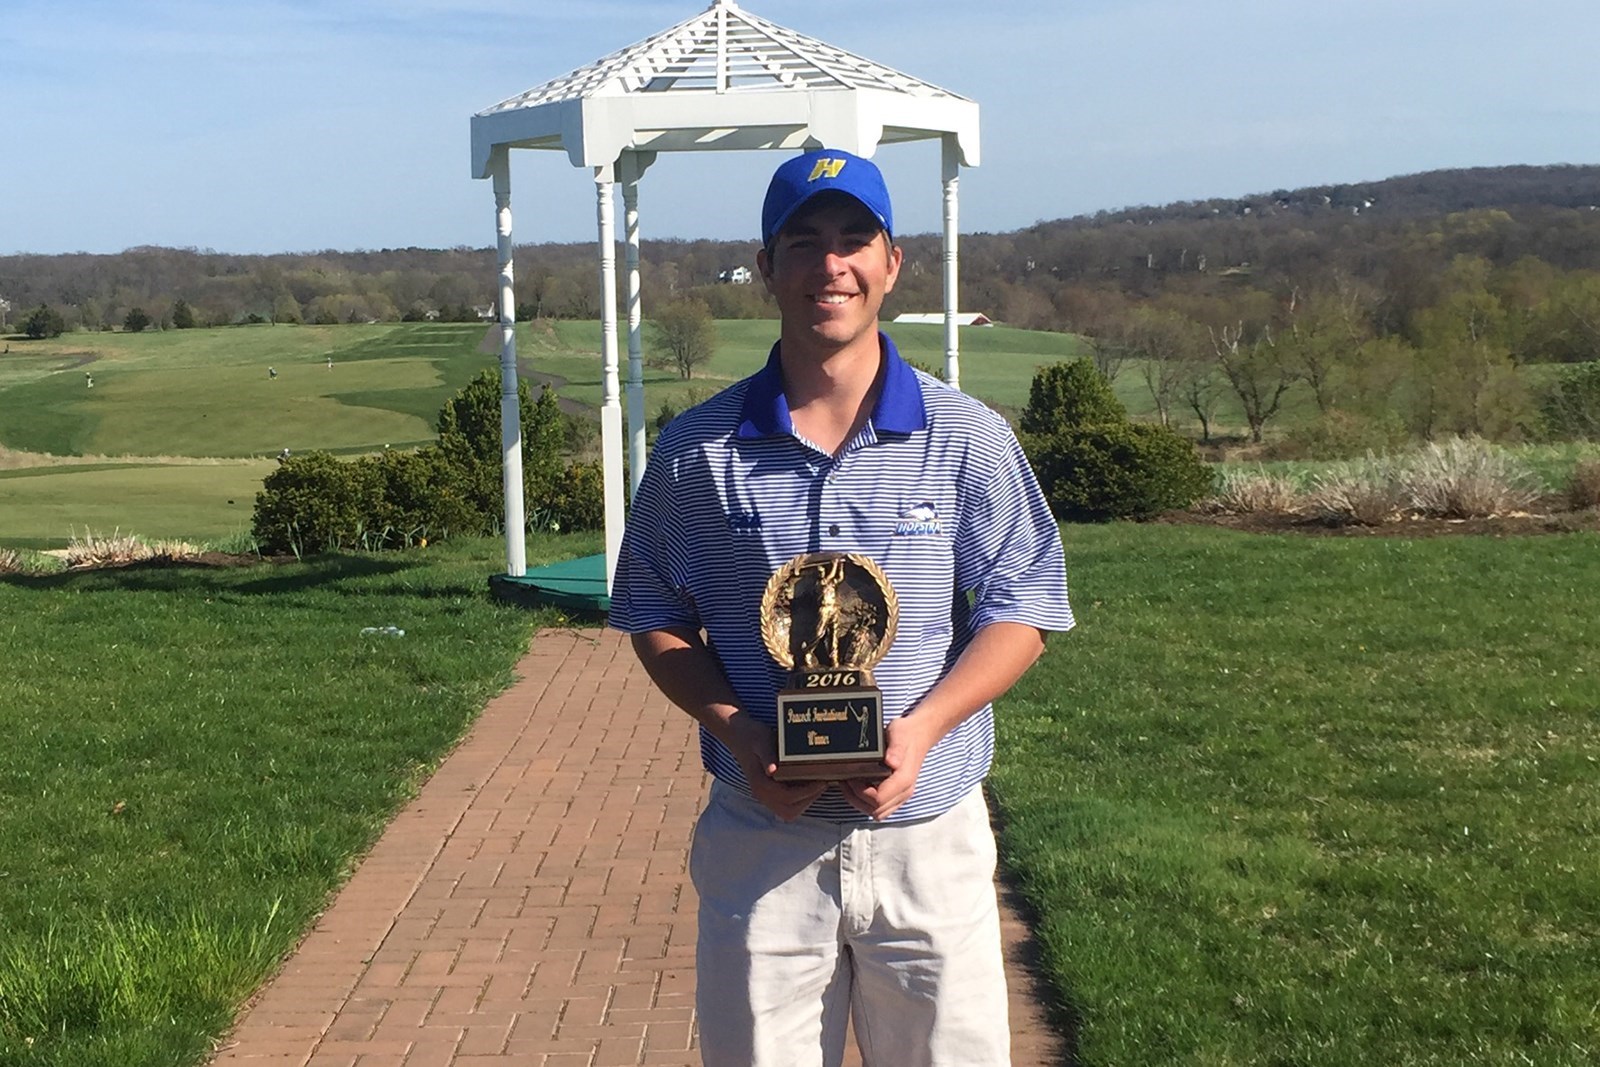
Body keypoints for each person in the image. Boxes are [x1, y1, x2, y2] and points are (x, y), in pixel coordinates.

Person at [610, 148, 1073, 1067]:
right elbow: (653, 610)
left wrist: (927, 727)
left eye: (855, 239)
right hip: (763, 842)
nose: (833, 264)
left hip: (927, 836)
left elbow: (1025, 604)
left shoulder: (967, 437)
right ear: (766, 267)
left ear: (892, 263)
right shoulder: (698, 450)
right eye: (805, 241)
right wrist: (740, 730)